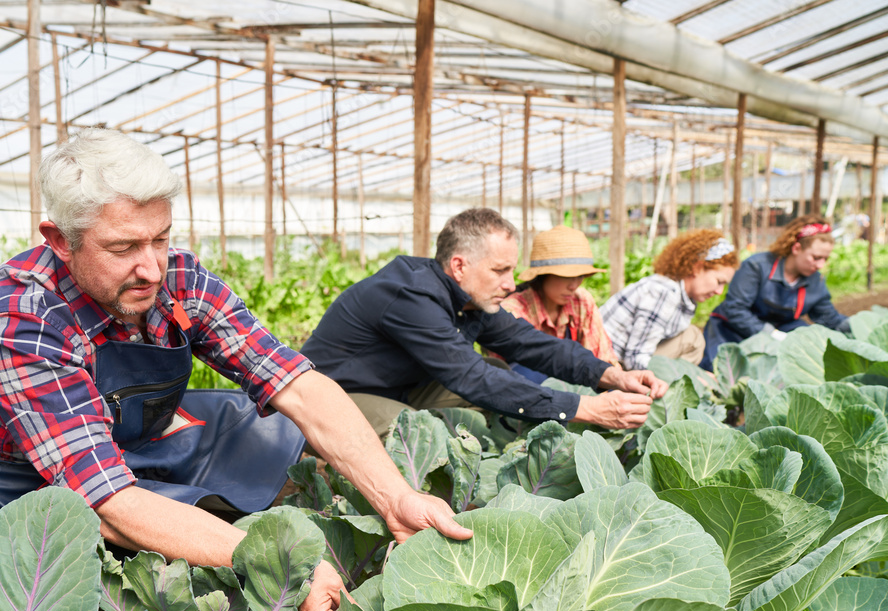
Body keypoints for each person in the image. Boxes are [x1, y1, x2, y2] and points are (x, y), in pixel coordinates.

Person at [0, 128, 470, 611]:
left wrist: (396, 496)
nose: (151, 268)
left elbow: (297, 384)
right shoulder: (20, 318)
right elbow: (106, 502)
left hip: (124, 467)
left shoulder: (177, 276)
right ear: (61, 241)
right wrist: (283, 565)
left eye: (160, 238)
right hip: (13, 501)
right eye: (123, 248)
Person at [299, 208, 667, 441]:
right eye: (500, 270)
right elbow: (470, 378)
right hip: (334, 394)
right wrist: (586, 409)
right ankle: (321, 463)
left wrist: (611, 376)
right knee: (416, 434)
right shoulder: (411, 297)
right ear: (459, 266)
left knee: (495, 369)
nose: (511, 283)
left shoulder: (467, 297)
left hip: (397, 386)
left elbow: (529, 342)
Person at [701, 214, 850, 369]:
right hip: (732, 330)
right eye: (816, 257)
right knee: (723, 372)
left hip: (781, 331)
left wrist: (859, 327)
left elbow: (829, 318)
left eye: (825, 259)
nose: (821, 265)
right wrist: (771, 334)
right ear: (797, 248)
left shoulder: (814, 280)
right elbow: (735, 309)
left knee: (805, 337)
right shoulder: (757, 266)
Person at [493, 226, 619, 383]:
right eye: (566, 276)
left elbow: (601, 356)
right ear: (543, 275)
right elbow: (499, 376)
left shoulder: (581, 302)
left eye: (580, 276)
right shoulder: (512, 311)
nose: (574, 285)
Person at [600, 229, 739, 371]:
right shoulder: (664, 294)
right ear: (697, 268)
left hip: (620, 359)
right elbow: (635, 358)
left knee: (692, 337)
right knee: (692, 339)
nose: (719, 291)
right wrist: (689, 378)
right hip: (607, 364)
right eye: (719, 281)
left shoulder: (678, 293)